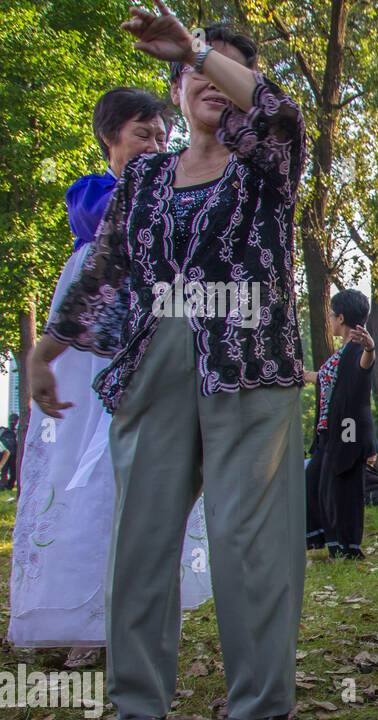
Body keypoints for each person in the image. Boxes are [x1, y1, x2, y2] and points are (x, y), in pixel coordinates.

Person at [32, 10, 307, 720]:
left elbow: (280, 115)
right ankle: (137, 707)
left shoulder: (265, 164)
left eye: (228, 69)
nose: (211, 78)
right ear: (175, 93)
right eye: (196, 70)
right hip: (155, 364)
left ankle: (257, 705)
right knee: (141, 534)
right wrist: (49, 347)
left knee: (245, 536)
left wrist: (196, 48)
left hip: (249, 365)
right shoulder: (147, 176)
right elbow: (108, 270)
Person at [8, 85, 213, 668]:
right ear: (110, 139)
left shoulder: (175, 187)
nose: (155, 145)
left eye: (161, 136)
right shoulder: (95, 194)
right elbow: (109, 236)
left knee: (139, 469)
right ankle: (77, 616)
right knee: (84, 467)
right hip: (90, 339)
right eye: (142, 135)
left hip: (155, 331)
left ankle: (125, 616)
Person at [304, 289, 375, 558]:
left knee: (343, 489)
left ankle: (347, 548)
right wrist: (299, 375)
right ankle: (324, 540)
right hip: (329, 434)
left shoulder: (358, 348)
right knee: (314, 483)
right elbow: (323, 378)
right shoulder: (340, 353)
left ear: (341, 317)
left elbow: (365, 366)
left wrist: (370, 348)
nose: (330, 320)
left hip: (348, 433)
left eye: (332, 316)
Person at [0, 414, 17, 490]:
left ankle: (6, 486)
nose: (12, 422)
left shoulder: (18, 432)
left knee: (9, 471)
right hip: (9, 454)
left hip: (11, 454)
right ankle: (5, 485)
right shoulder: (4, 430)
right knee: (7, 470)